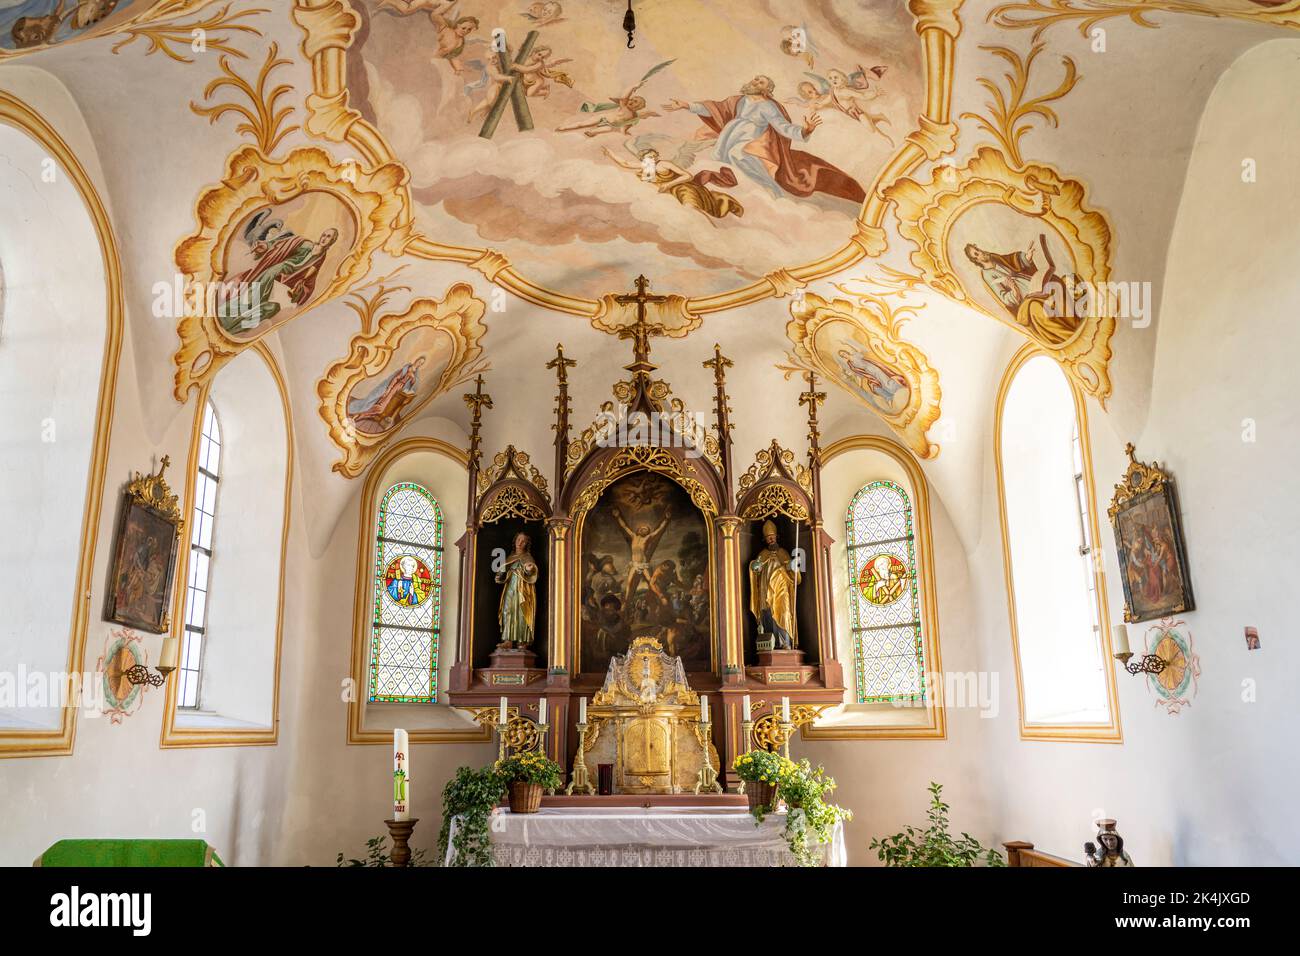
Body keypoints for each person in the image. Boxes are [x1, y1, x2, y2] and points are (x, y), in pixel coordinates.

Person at [663, 75, 864, 204]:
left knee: (738, 154)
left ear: (766, 90)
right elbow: (714, 107)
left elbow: (782, 127)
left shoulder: (768, 106)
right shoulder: (739, 100)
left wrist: (805, 130)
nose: (755, 83)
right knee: (724, 158)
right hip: (729, 137)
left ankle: (770, 188)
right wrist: (686, 105)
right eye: (756, 80)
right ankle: (737, 187)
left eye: (761, 83)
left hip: (753, 144)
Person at [748, 520, 800, 648]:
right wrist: (755, 566)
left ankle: (785, 643)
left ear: (776, 537)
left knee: (784, 613)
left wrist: (793, 567)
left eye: (772, 537)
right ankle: (771, 645)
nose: (770, 539)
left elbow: (794, 577)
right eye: (767, 538)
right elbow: (756, 570)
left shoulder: (783, 553)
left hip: (782, 590)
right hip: (766, 591)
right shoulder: (762, 554)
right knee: (768, 616)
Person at [495, 532, 539, 647]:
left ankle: (522, 640)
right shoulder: (509, 558)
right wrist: (501, 572)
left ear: (526, 544)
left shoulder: (527, 557)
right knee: (507, 611)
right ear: (514, 541)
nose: (520, 543)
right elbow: (500, 576)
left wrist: (529, 569)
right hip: (510, 589)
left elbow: (532, 573)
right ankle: (508, 640)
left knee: (521, 613)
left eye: (523, 541)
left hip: (523, 590)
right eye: (518, 539)